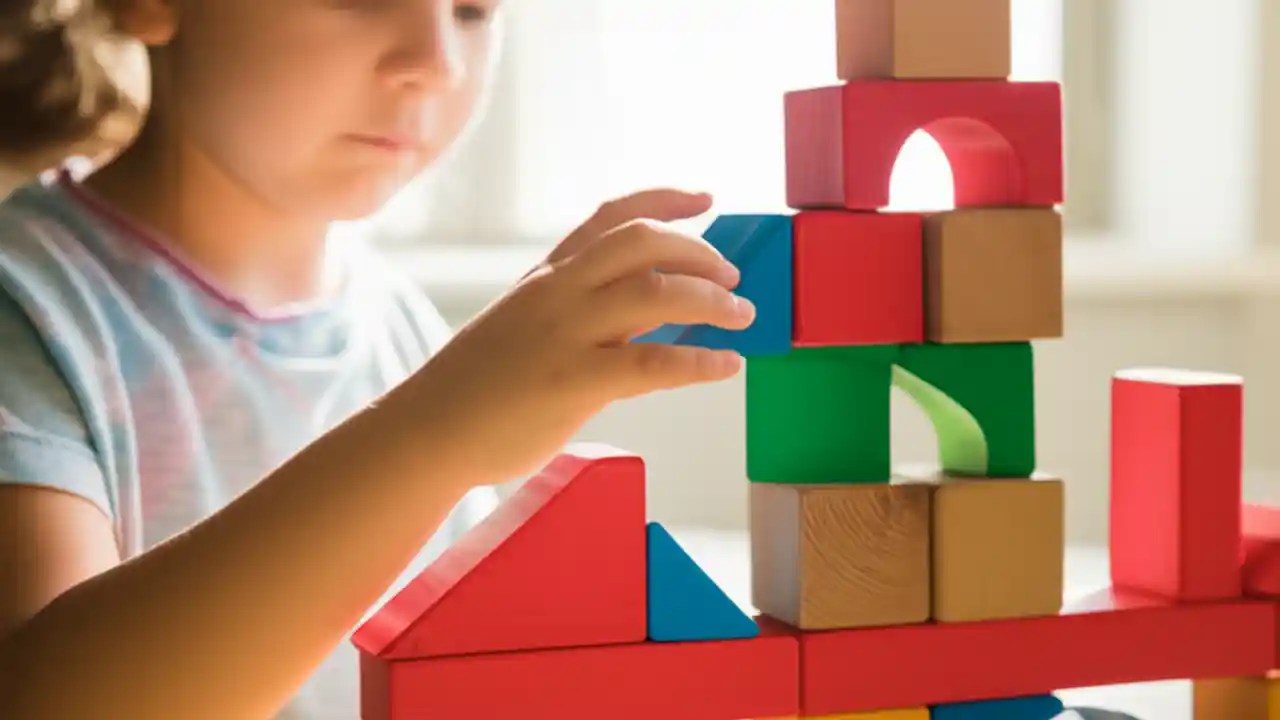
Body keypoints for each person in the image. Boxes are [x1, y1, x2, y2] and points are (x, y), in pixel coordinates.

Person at [0, 1, 755, 717]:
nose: (436, 61)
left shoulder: (401, 324)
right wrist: (437, 431)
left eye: (473, 10)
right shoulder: (27, 303)